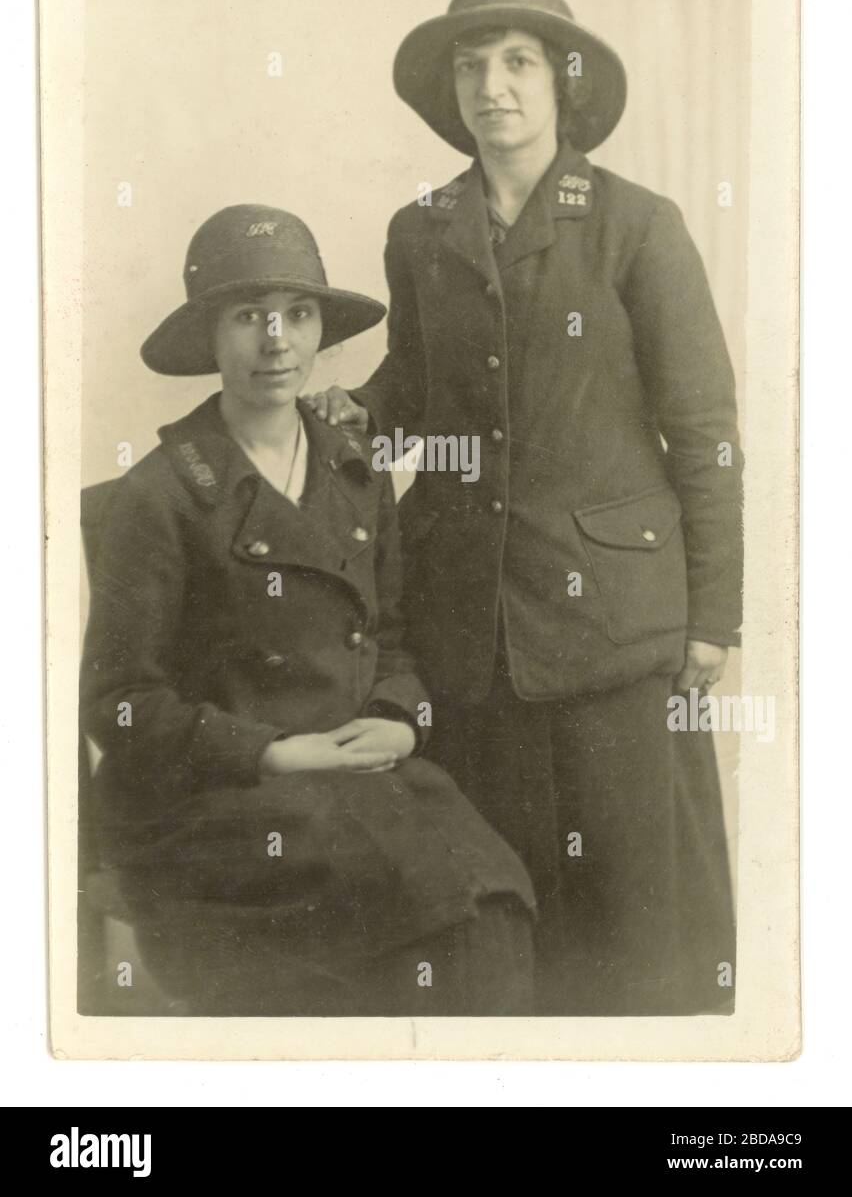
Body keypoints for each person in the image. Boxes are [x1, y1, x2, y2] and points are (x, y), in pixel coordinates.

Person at [304, 0, 743, 1015]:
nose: (491, 86)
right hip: (470, 628)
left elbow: (709, 433)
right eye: (470, 64)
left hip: (616, 629)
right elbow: (417, 387)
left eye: (517, 61)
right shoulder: (421, 231)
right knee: (505, 918)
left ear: (563, 81)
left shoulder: (639, 225)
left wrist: (715, 615)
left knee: (639, 931)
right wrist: (358, 413)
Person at [80, 203, 536, 1017]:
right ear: (210, 338)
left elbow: (391, 640)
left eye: (297, 315)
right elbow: (118, 707)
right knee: (433, 920)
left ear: (320, 330)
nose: (276, 340)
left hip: (359, 774)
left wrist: (402, 721)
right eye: (247, 317)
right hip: (221, 798)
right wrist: (275, 754)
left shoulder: (354, 468)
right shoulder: (160, 494)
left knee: (492, 893)